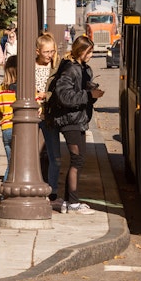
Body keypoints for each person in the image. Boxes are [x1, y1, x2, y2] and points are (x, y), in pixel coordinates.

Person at [44, 35, 104, 214]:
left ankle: (71, 200)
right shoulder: (70, 69)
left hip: (78, 119)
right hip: (70, 120)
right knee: (77, 160)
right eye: (89, 51)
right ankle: (73, 202)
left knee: (78, 160)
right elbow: (64, 96)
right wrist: (88, 95)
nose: (91, 55)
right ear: (80, 51)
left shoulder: (82, 68)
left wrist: (90, 91)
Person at [33, 32, 62, 202]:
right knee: (31, 153)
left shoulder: (56, 67)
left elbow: (59, 91)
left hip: (49, 115)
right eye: (46, 52)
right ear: (37, 51)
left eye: (52, 51)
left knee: (54, 155)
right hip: (33, 114)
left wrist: (47, 95)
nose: (50, 55)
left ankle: (52, 189)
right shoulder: (29, 67)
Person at [0, 55, 18, 181]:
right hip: (19, 129)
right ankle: (6, 194)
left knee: (11, 164)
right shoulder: (25, 89)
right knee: (19, 165)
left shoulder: (2, 88)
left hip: (6, 128)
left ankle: (5, 193)